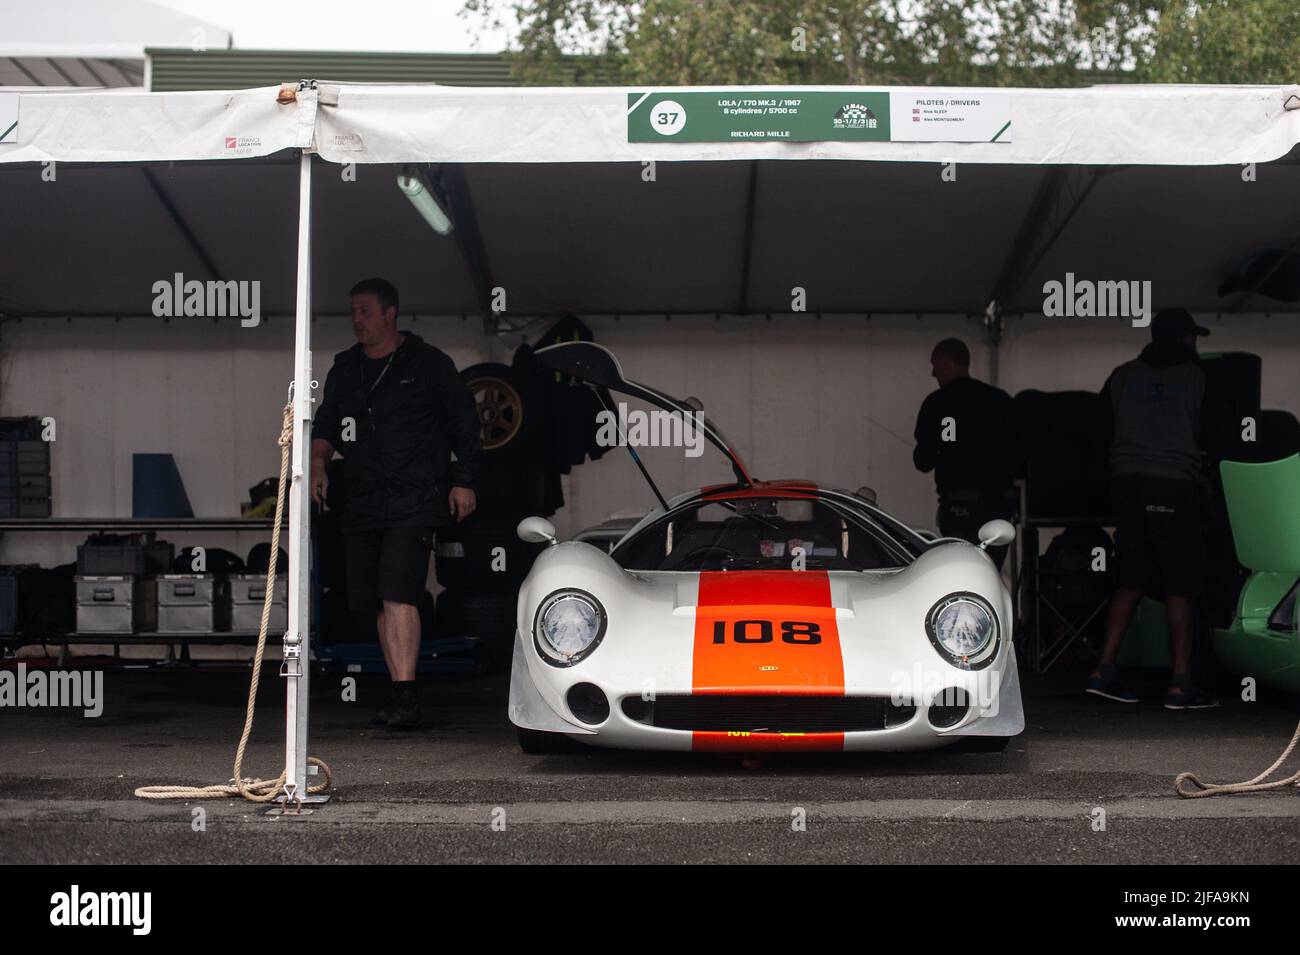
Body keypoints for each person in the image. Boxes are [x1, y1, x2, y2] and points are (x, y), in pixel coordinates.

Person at [311, 278, 481, 729]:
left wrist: (463, 482)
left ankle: (407, 696)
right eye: (353, 311)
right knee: (372, 602)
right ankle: (397, 690)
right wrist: (319, 464)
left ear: (390, 314)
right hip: (362, 501)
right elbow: (325, 424)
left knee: (399, 593)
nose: (356, 320)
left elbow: (465, 425)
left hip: (414, 498)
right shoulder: (345, 368)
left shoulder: (429, 365)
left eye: (365, 311)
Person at [1086, 308, 1220, 710]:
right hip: (1176, 487)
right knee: (1181, 585)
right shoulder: (1199, 378)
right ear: (1185, 340)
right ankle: (1180, 684)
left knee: (1130, 579)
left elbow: (1097, 433)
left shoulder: (1122, 376)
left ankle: (1102, 670)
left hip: (1127, 486)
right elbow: (1219, 437)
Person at [912, 338, 1018, 569]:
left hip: (959, 509)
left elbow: (923, 460)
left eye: (936, 364)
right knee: (990, 571)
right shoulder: (1000, 400)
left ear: (949, 363)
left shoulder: (937, 403)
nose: (933, 373)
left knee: (963, 571)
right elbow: (1020, 450)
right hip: (999, 506)